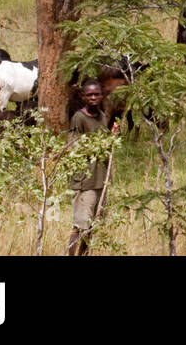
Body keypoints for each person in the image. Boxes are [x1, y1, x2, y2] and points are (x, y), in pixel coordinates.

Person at [66, 81, 115, 256]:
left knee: (94, 226)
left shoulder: (102, 116)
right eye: (89, 95)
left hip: (101, 180)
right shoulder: (79, 118)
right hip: (85, 182)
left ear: (102, 95)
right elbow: (73, 146)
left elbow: (105, 143)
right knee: (80, 226)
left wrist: (111, 136)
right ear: (83, 97)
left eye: (96, 94)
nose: (93, 98)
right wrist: (97, 144)